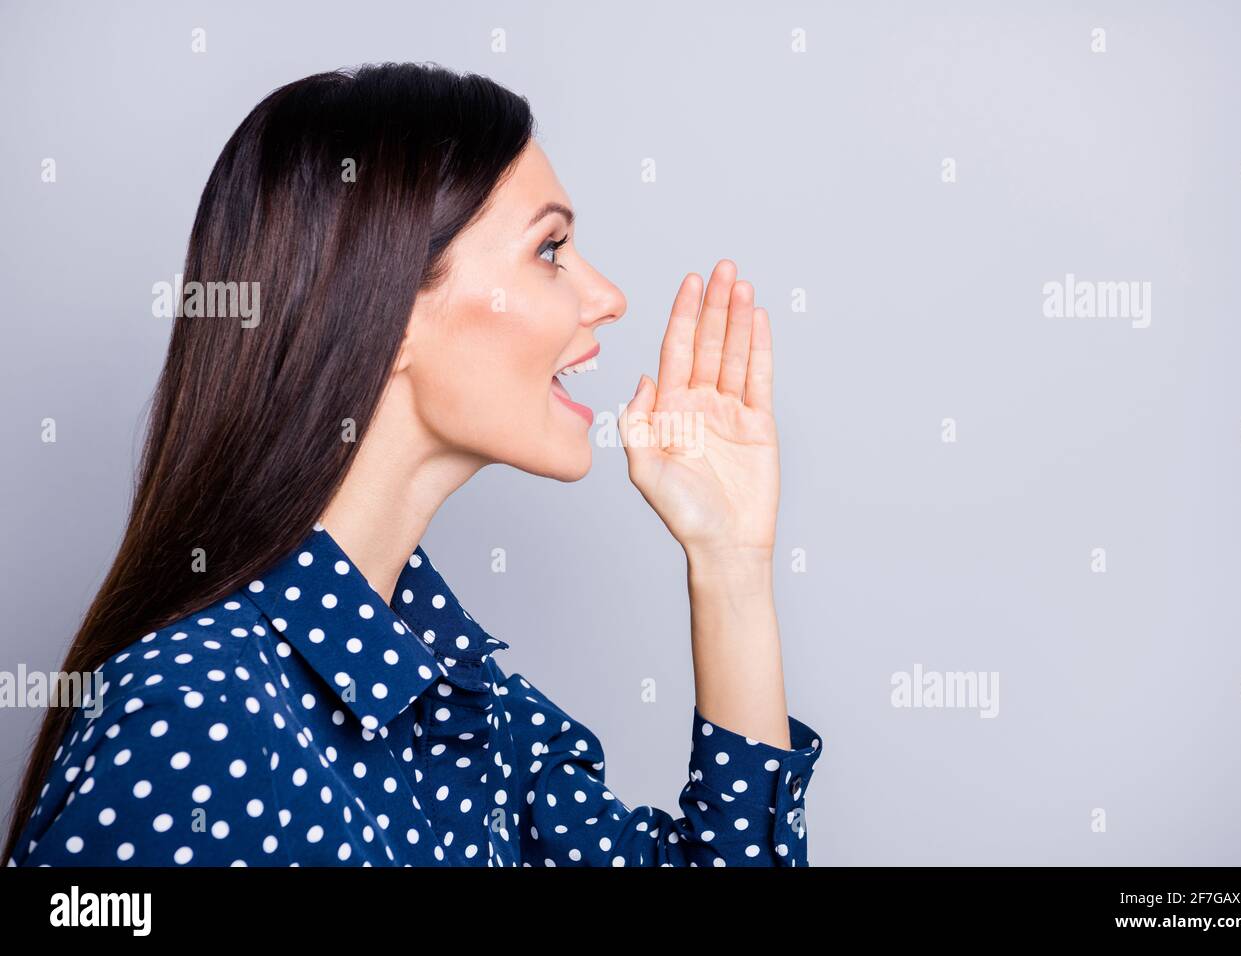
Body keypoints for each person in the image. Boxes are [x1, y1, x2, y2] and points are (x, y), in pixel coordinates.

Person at [5, 62, 822, 867]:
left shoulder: (455, 693)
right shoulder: (195, 713)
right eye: (551, 249)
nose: (606, 295)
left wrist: (731, 567)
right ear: (388, 307)